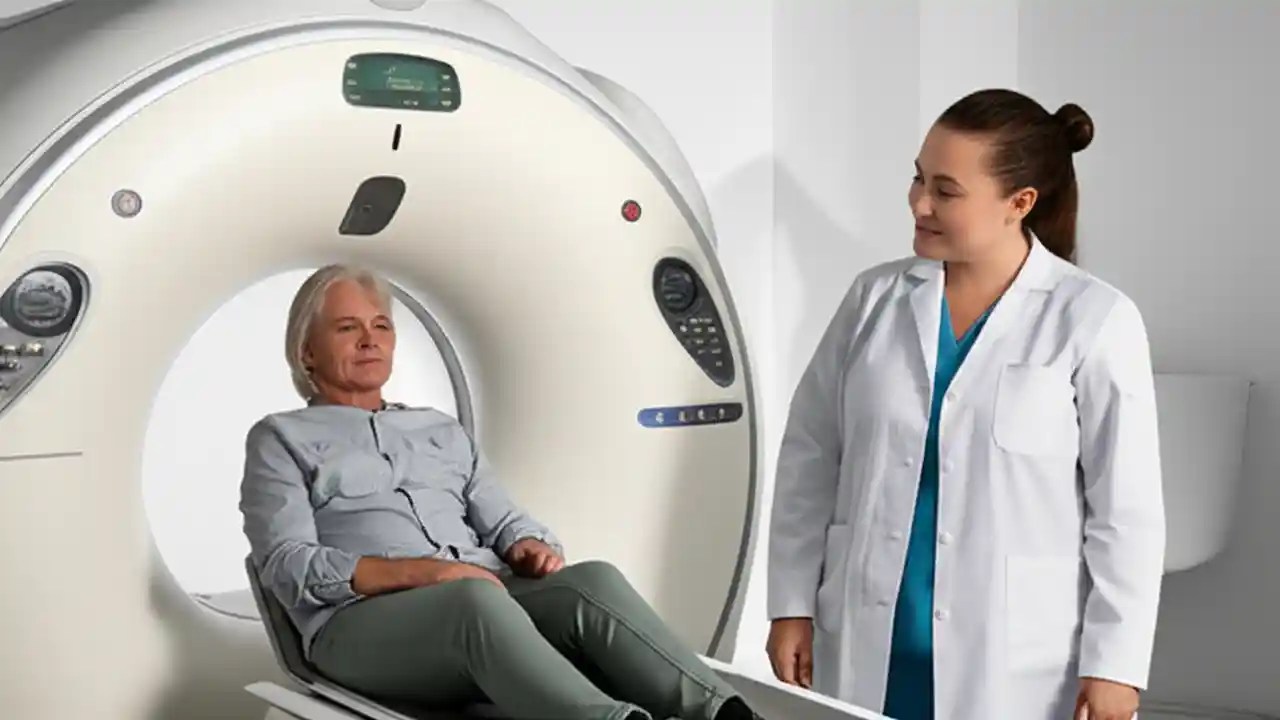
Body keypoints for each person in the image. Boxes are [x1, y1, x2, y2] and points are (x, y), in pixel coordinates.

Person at [764, 88, 1165, 720]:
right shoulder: (874, 299)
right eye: (918, 179)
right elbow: (811, 456)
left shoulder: (1093, 318)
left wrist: (1115, 666)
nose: (919, 203)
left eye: (946, 191)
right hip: (870, 636)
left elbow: (1126, 514)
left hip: (1015, 660)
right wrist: (791, 603)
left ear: (1020, 203)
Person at [240, 264, 765, 720]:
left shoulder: (439, 429)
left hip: (482, 595)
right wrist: (429, 573)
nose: (370, 340)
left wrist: (526, 546)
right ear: (307, 352)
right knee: (471, 600)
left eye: (381, 326)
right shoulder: (279, 438)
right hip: (358, 626)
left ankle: (727, 715)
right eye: (347, 327)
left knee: (592, 582)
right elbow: (288, 565)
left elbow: (504, 518)